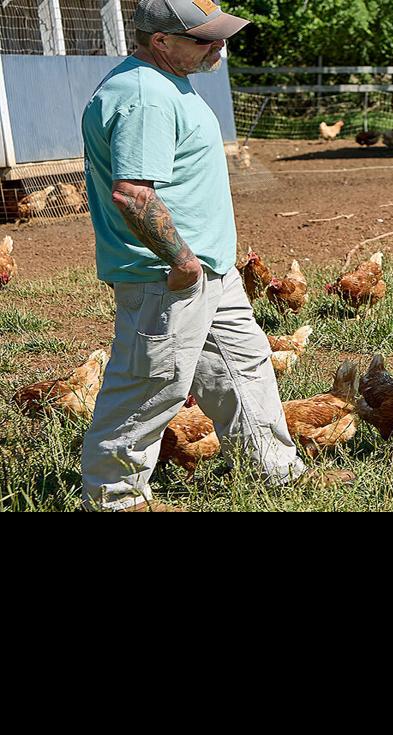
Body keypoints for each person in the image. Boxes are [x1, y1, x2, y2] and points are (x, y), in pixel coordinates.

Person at [79, 0, 350, 512]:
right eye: (205, 38)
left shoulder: (167, 82)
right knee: (151, 385)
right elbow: (133, 194)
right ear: (161, 41)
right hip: (168, 274)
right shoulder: (145, 96)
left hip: (209, 272)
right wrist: (182, 261)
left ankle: (275, 471)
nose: (219, 45)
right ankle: (116, 498)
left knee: (243, 368)